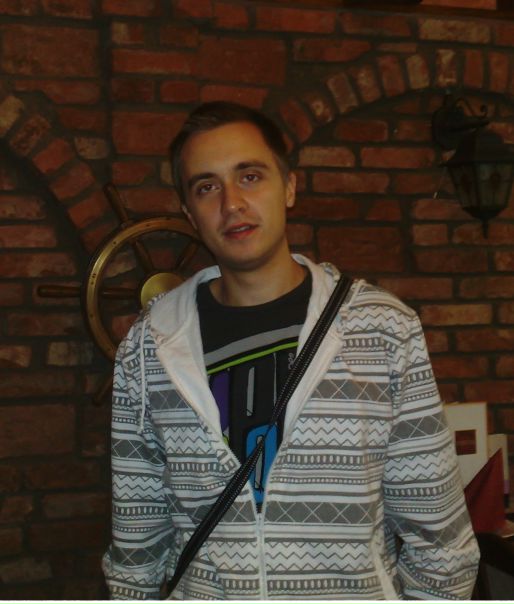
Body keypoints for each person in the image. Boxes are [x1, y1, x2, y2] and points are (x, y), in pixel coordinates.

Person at [102, 101, 479, 600]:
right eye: (207, 187)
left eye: (250, 176)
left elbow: (441, 540)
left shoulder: (383, 329)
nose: (232, 203)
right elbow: (137, 546)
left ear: (289, 187)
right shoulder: (149, 346)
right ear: (190, 214)